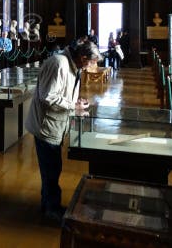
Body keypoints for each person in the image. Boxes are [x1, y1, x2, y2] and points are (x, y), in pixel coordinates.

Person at [24, 39, 101, 224]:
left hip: (56, 125)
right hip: (46, 126)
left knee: (52, 169)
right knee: (51, 170)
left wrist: (76, 101)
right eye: (91, 62)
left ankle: (48, 205)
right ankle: (51, 209)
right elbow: (47, 96)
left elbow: (60, 92)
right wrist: (73, 106)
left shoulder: (72, 65)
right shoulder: (59, 63)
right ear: (83, 57)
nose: (92, 66)